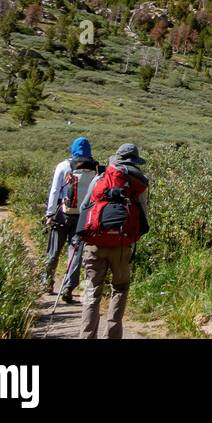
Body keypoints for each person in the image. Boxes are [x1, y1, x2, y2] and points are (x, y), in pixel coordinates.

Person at [77, 143, 150, 339]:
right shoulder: (138, 182)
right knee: (120, 288)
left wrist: (81, 236)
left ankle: (86, 336)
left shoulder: (101, 176)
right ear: (134, 160)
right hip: (121, 244)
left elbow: (85, 206)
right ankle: (112, 335)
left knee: (92, 291)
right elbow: (144, 213)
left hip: (94, 242)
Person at [42, 137, 100, 300]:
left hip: (62, 214)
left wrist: (49, 213)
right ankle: (68, 287)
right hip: (83, 216)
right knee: (75, 253)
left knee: (53, 251)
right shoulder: (94, 168)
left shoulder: (63, 166)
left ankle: (47, 282)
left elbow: (54, 191)